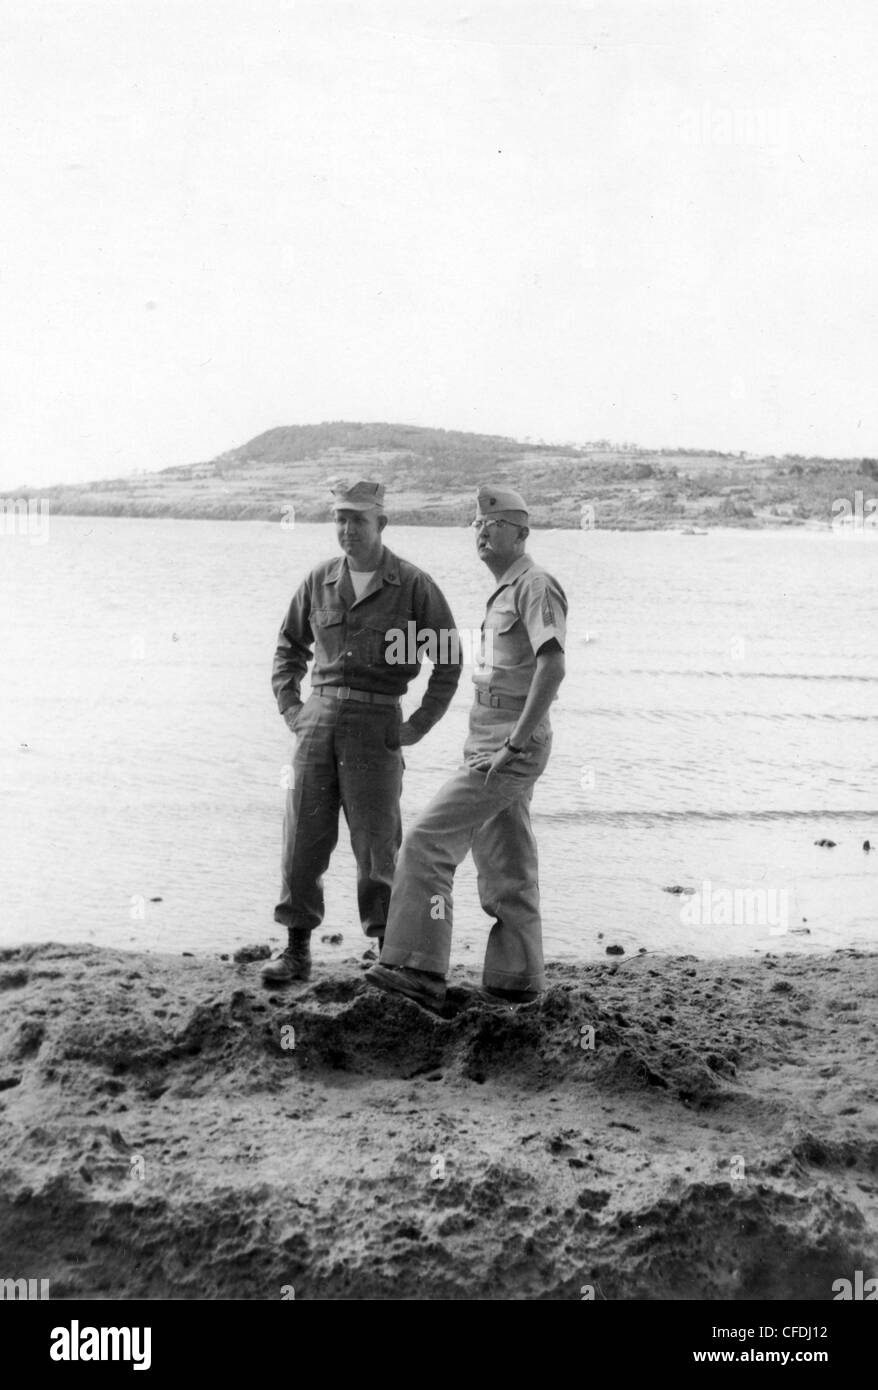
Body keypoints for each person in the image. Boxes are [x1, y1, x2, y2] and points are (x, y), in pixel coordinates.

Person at [366, 484, 567, 1009]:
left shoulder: (535, 584)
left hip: (507, 744)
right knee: (508, 865)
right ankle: (515, 982)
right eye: (476, 524)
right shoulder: (507, 588)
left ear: (522, 533)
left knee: (427, 845)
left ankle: (417, 969)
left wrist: (515, 743)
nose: (481, 531)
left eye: (493, 524)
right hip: (492, 738)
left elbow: (553, 665)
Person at [263, 479, 462, 985]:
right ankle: (296, 951)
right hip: (318, 722)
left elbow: (449, 660)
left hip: (377, 726)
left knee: (377, 845)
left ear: (381, 524)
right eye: (339, 519)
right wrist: (292, 708)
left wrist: (419, 723)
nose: (347, 529)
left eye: (357, 520)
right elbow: (289, 648)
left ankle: (386, 951)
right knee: (303, 840)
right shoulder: (318, 581)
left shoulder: (415, 587)